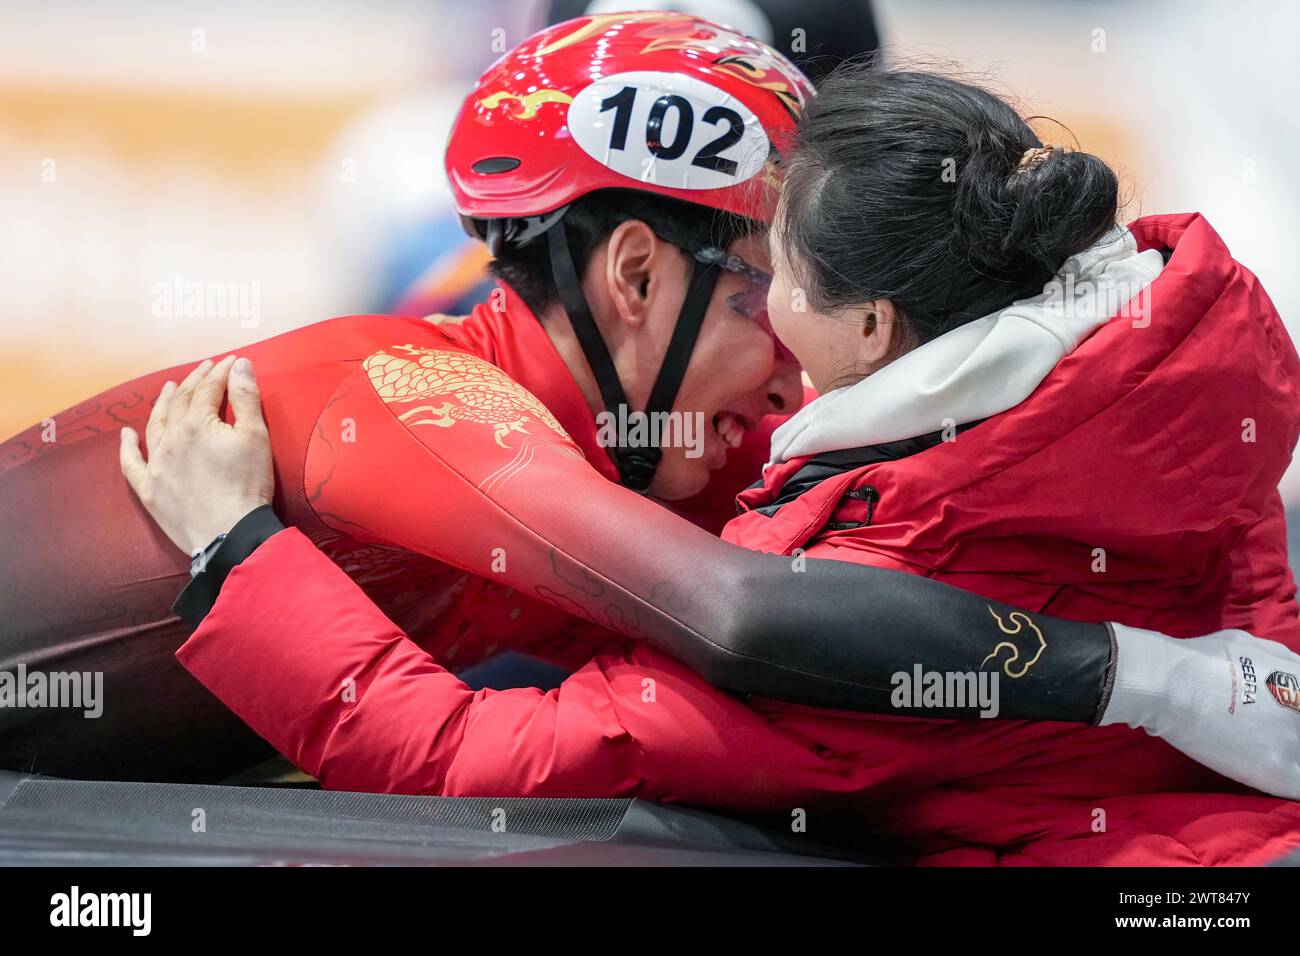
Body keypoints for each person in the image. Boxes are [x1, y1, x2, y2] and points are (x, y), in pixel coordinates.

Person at [123, 65, 1300, 866]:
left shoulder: (861, 581)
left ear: (874, 328)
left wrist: (235, 553)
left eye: (769, 281)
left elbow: (467, 762)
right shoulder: (1173, 398)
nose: (775, 331)